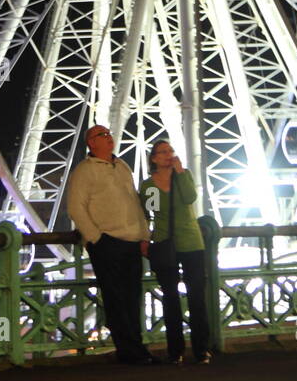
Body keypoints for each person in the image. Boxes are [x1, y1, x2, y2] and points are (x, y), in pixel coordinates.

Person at [65, 124, 160, 365]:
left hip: (131, 242)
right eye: (102, 135)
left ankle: (137, 348)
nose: (109, 137)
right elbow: (76, 207)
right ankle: (128, 351)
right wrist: (97, 238)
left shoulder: (123, 167)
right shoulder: (84, 171)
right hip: (108, 243)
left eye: (109, 133)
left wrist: (143, 235)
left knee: (132, 297)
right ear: (91, 143)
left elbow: (134, 203)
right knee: (117, 298)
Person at [139, 140, 212, 365]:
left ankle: (201, 350)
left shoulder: (184, 176)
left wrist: (180, 172)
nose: (168, 155)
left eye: (171, 151)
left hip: (192, 242)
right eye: (163, 152)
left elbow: (191, 198)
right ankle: (175, 350)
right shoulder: (148, 186)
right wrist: (145, 238)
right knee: (170, 298)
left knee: (197, 297)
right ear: (154, 158)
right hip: (164, 243)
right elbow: (149, 213)